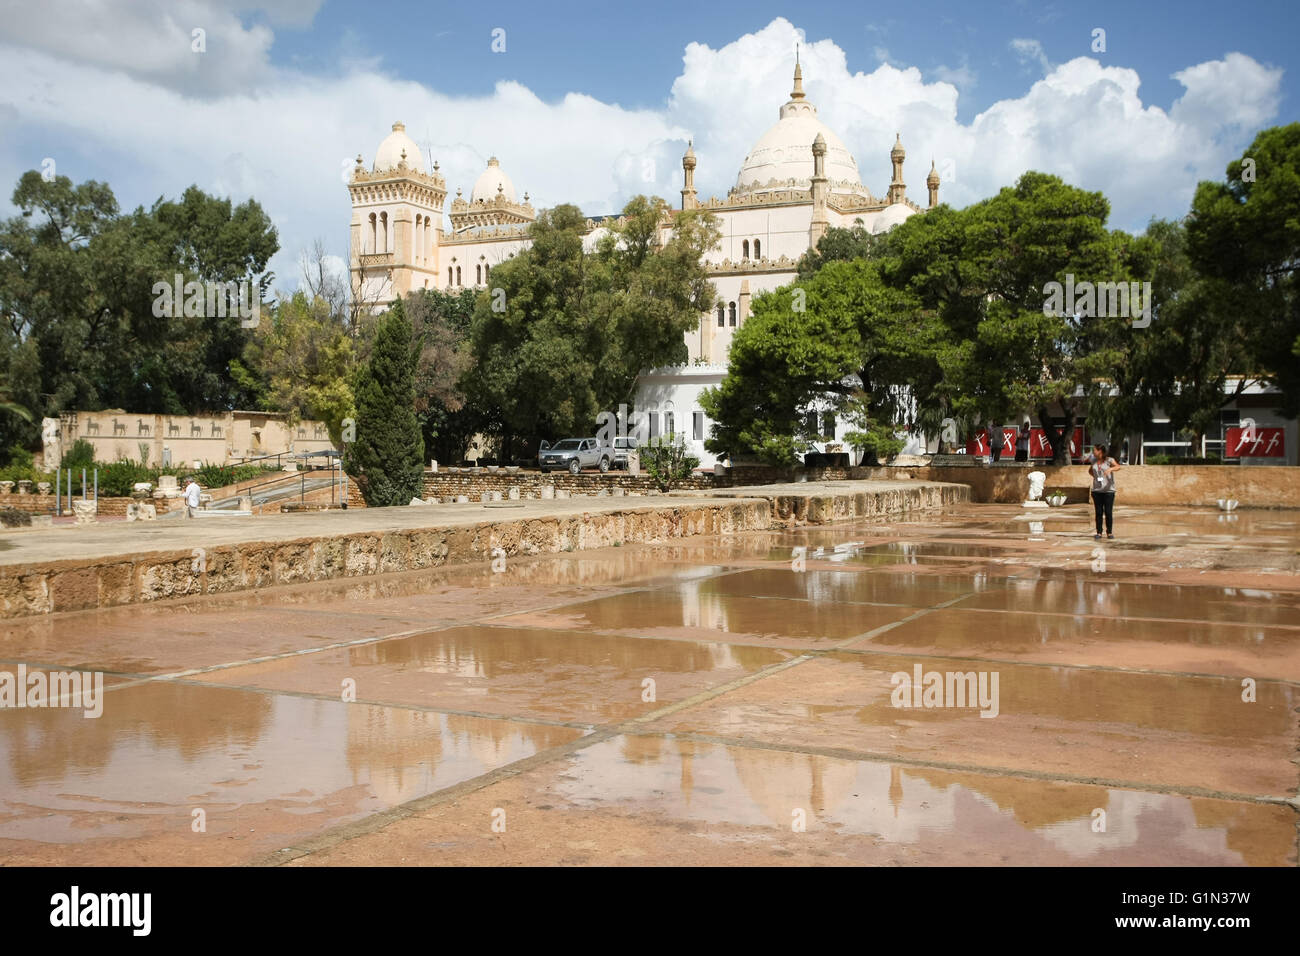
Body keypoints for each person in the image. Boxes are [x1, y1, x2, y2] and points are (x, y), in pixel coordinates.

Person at [1084, 443, 1120, 540]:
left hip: (1109, 491)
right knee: (1098, 512)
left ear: (1100, 451)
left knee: (1108, 512)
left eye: (1094, 450)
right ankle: (1099, 532)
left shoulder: (1109, 460)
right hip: (1097, 491)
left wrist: (1110, 469)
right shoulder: (1094, 461)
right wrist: (1096, 478)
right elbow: (1090, 471)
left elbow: (1118, 467)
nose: (1093, 452)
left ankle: (1109, 532)